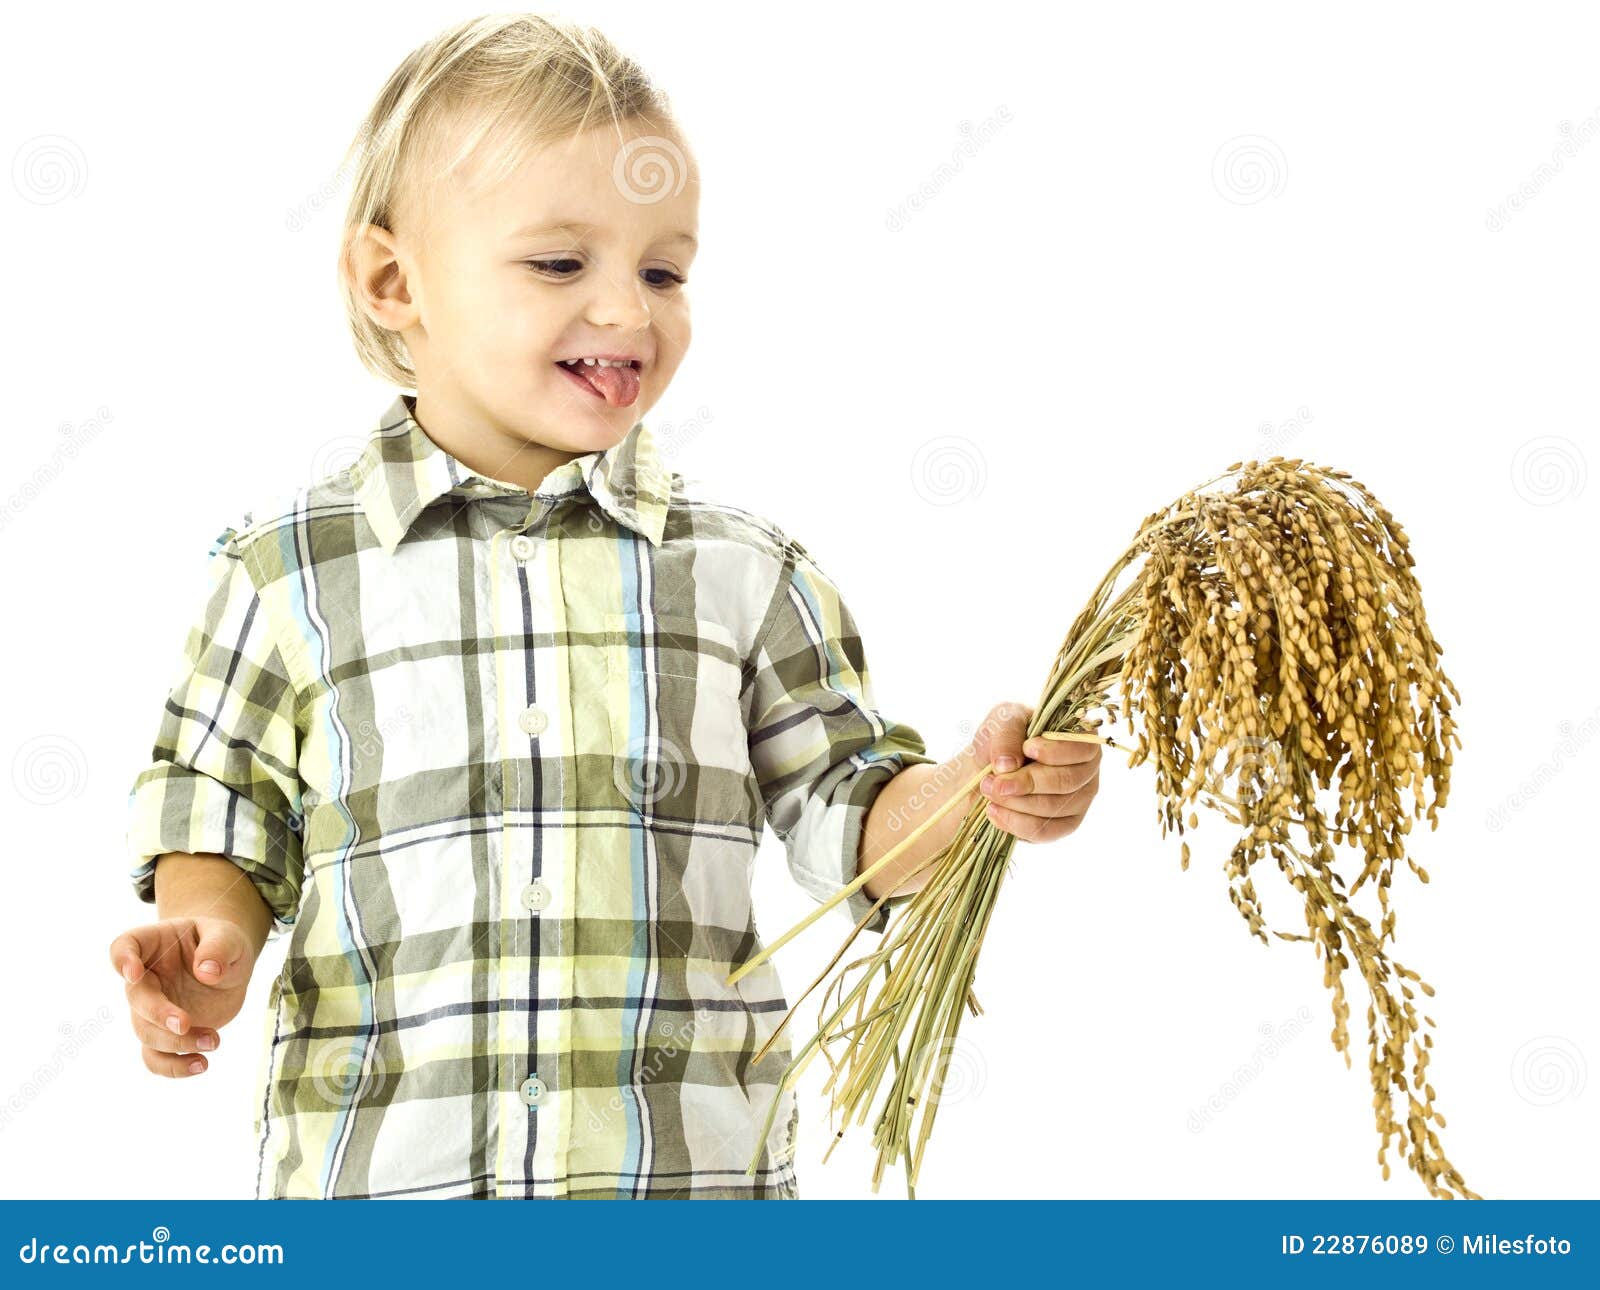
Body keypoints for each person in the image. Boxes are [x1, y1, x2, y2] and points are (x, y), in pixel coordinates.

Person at [108, 12, 1102, 1200]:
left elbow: (849, 823)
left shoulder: (742, 571)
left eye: (663, 270)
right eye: (560, 263)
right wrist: (208, 944)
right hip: (379, 1199)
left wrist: (965, 795)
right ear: (392, 282)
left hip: (686, 1202)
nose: (630, 312)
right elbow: (217, 812)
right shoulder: (285, 573)